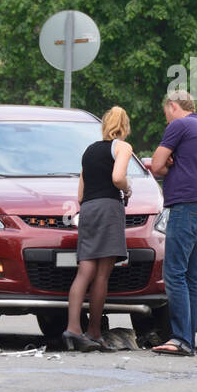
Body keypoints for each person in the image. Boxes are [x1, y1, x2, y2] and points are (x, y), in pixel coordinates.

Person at [149, 90, 197, 356]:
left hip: (185, 209)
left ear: (173, 106)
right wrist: (170, 164)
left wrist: (166, 165)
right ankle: (187, 339)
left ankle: (179, 339)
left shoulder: (180, 125)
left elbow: (155, 165)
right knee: (191, 275)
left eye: (166, 112)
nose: (166, 120)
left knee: (174, 273)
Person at [63, 106, 133, 353]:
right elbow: (117, 177)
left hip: (89, 210)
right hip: (108, 209)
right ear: (124, 126)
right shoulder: (122, 147)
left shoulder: (89, 152)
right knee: (102, 275)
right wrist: (128, 189)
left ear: (104, 125)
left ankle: (72, 329)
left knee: (84, 272)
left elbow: (80, 194)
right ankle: (93, 332)